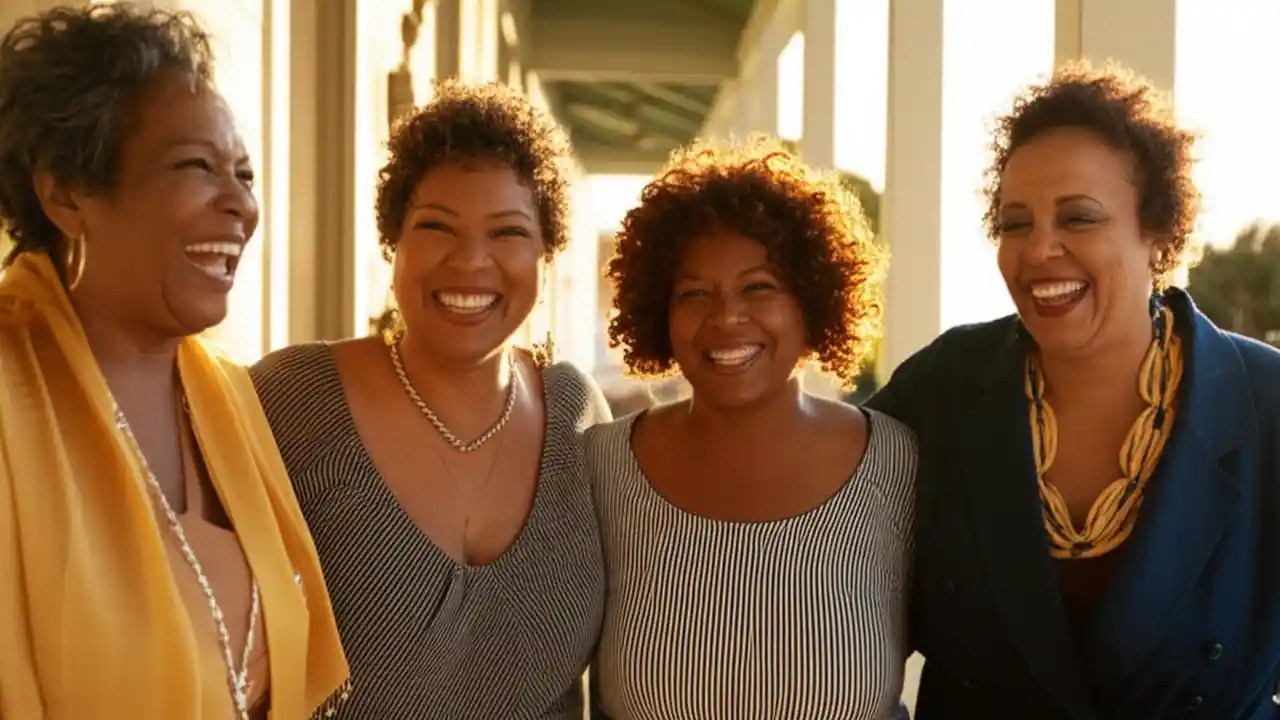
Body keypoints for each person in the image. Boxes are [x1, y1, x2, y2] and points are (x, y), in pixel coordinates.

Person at [866, 63, 1280, 718]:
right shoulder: (941, 389)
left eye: (1079, 219)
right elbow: (826, 570)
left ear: (1157, 232)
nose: (1038, 251)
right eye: (1015, 224)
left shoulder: (1267, 405)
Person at [0, 5, 349, 719]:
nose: (241, 206)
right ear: (66, 193)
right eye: (197, 166)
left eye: (244, 175)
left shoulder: (228, 394)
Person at [250, 80, 611, 718]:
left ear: (546, 254)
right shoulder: (291, 402)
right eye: (436, 227)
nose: (471, 260)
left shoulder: (577, 415)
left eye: (508, 232)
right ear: (393, 244)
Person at [587, 138, 917, 719]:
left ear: (813, 300)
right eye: (693, 293)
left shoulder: (893, 462)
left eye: (759, 287)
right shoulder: (603, 467)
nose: (727, 317)